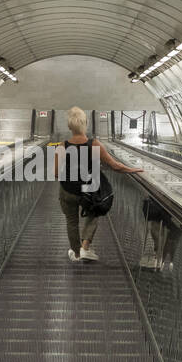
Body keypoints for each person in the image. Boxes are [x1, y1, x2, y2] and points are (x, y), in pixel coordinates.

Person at [54, 106, 141, 262]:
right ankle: (85, 247)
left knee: (71, 221)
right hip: (89, 190)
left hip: (67, 190)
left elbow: (55, 173)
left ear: (69, 126)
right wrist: (132, 169)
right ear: (85, 124)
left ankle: (77, 253)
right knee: (94, 213)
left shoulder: (62, 146)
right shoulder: (94, 144)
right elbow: (115, 166)